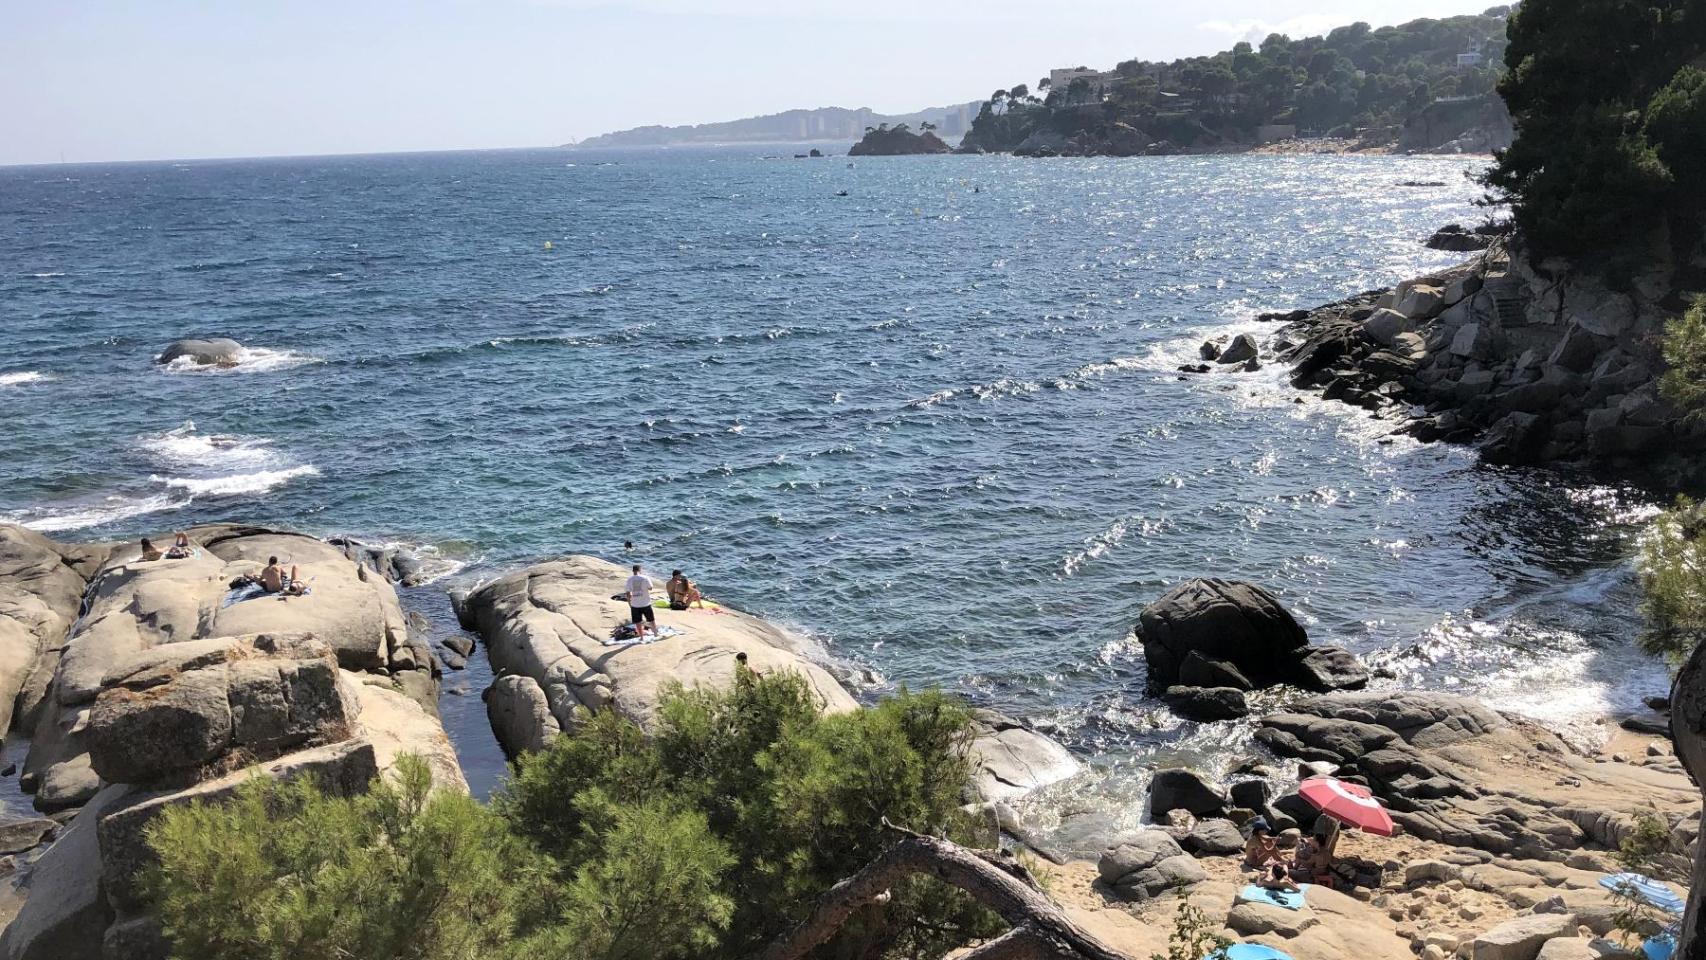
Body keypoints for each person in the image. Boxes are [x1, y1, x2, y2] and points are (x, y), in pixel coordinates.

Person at [625, 564, 656, 639]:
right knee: (651, 619)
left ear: (633, 571)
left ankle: (641, 637)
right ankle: (656, 633)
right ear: (640, 570)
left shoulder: (629, 579)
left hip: (635, 604)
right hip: (646, 603)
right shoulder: (645, 577)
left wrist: (629, 603)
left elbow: (628, 593)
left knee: (638, 622)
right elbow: (650, 588)